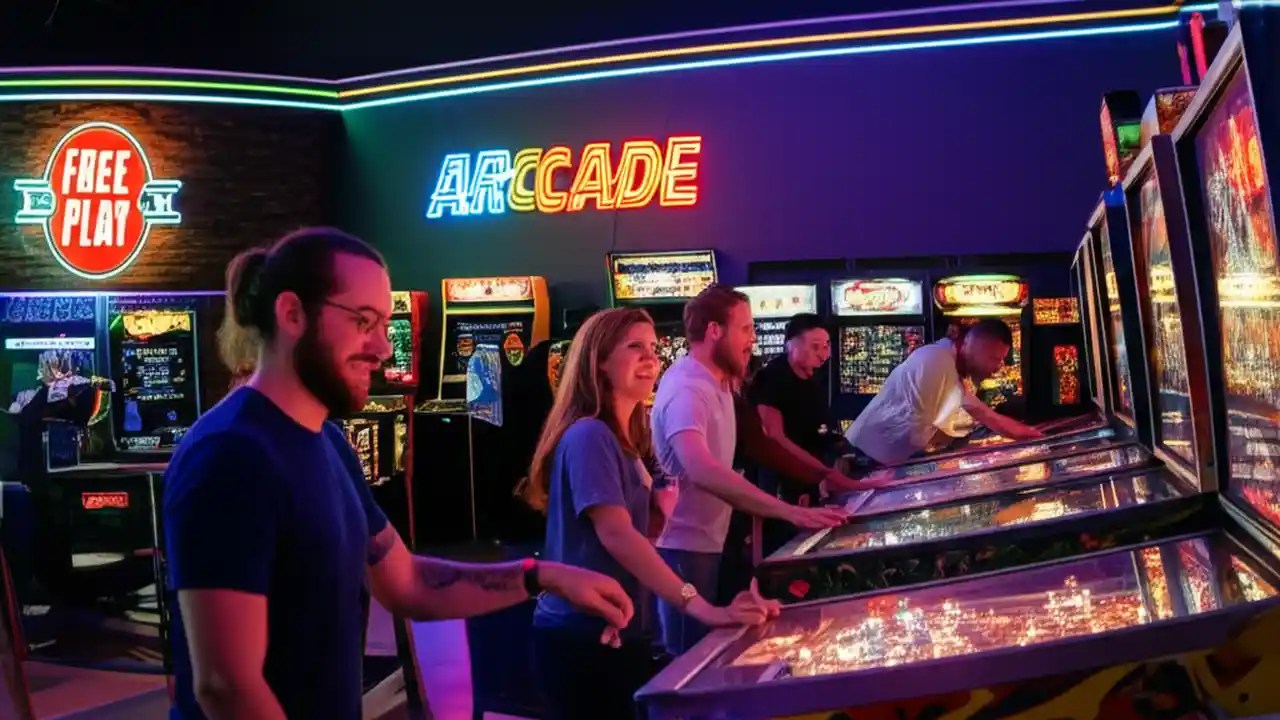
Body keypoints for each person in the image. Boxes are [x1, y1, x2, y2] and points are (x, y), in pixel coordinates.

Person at [163, 227, 632, 720]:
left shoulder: (328, 442)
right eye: (364, 321)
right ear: (292, 314)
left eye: (385, 324)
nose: (384, 348)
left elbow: (406, 581)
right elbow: (227, 685)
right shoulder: (231, 455)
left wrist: (544, 575)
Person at [521, 307, 779, 719]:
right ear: (600, 361)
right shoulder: (591, 435)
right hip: (583, 635)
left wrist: (659, 517)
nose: (651, 359)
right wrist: (702, 607)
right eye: (635, 348)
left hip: (615, 628)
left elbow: (627, 536)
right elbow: (616, 536)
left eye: (654, 349)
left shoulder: (624, 438)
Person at [651, 284, 847, 656]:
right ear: (714, 331)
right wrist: (789, 510)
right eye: (746, 328)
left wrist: (824, 480)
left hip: (711, 540)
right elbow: (702, 468)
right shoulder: (688, 387)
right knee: (687, 665)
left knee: (715, 653)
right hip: (682, 546)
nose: (753, 339)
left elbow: (759, 445)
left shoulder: (719, 382)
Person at [843, 318, 1044, 472]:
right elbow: (924, 437)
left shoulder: (951, 367)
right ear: (972, 345)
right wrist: (969, 451)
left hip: (882, 462)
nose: (998, 367)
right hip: (863, 461)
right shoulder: (936, 360)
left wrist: (1035, 436)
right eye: (994, 358)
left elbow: (986, 416)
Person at [747, 313, 869, 555]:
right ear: (791, 344)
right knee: (782, 549)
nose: (824, 355)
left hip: (806, 480)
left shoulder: (812, 379)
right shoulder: (773, 377)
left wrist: (845, 454)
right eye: (816, 347)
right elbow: (774, 438)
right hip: (778, 484)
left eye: (826, 346)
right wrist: (822, 472)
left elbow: (818, 432)